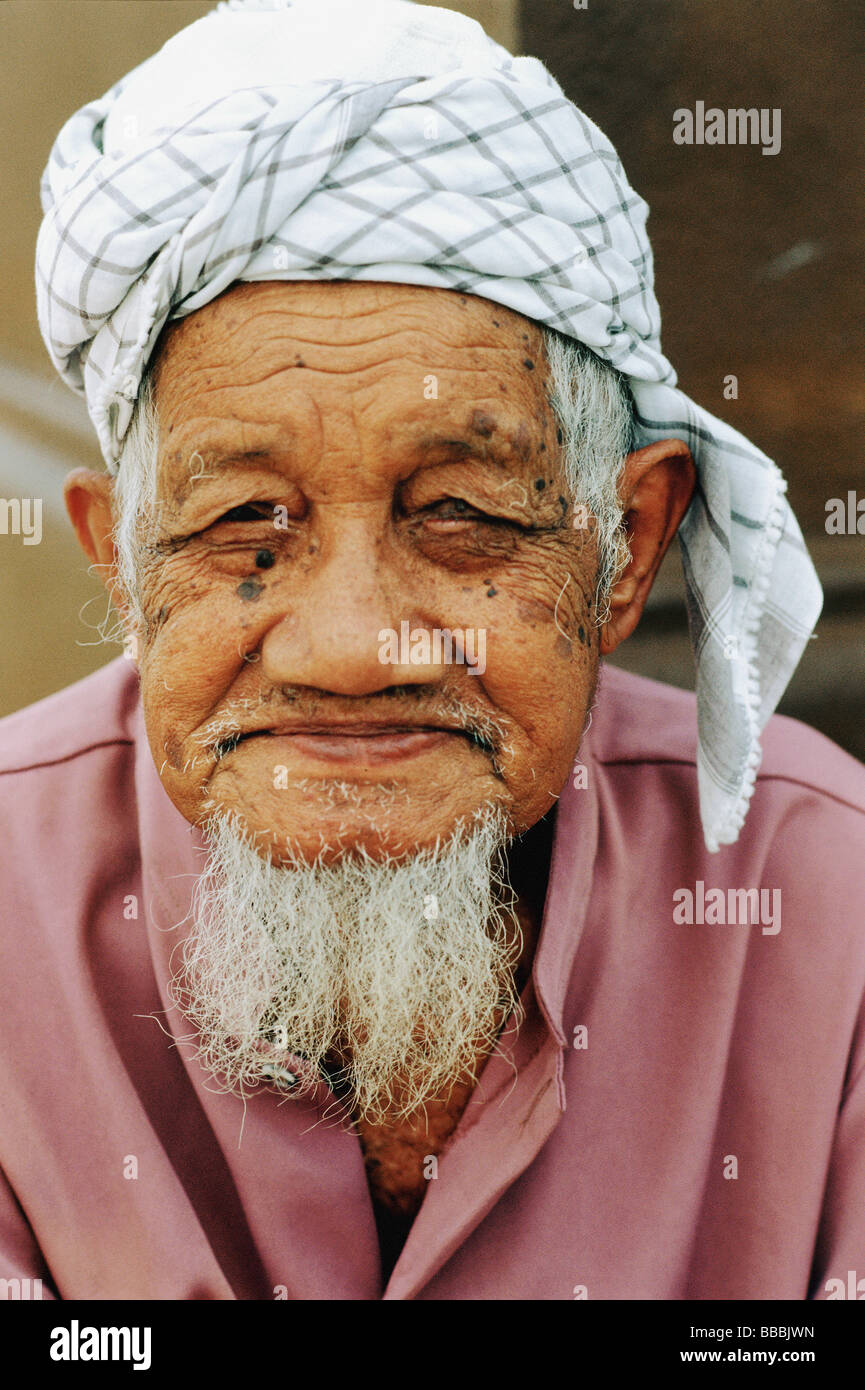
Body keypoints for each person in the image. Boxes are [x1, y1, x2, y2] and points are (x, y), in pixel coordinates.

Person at [1, 0, 861, 1300]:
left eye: (459, 513)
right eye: (243, 520)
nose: (351, 647)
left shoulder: (831, 913)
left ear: (624, 546)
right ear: (123, 568)